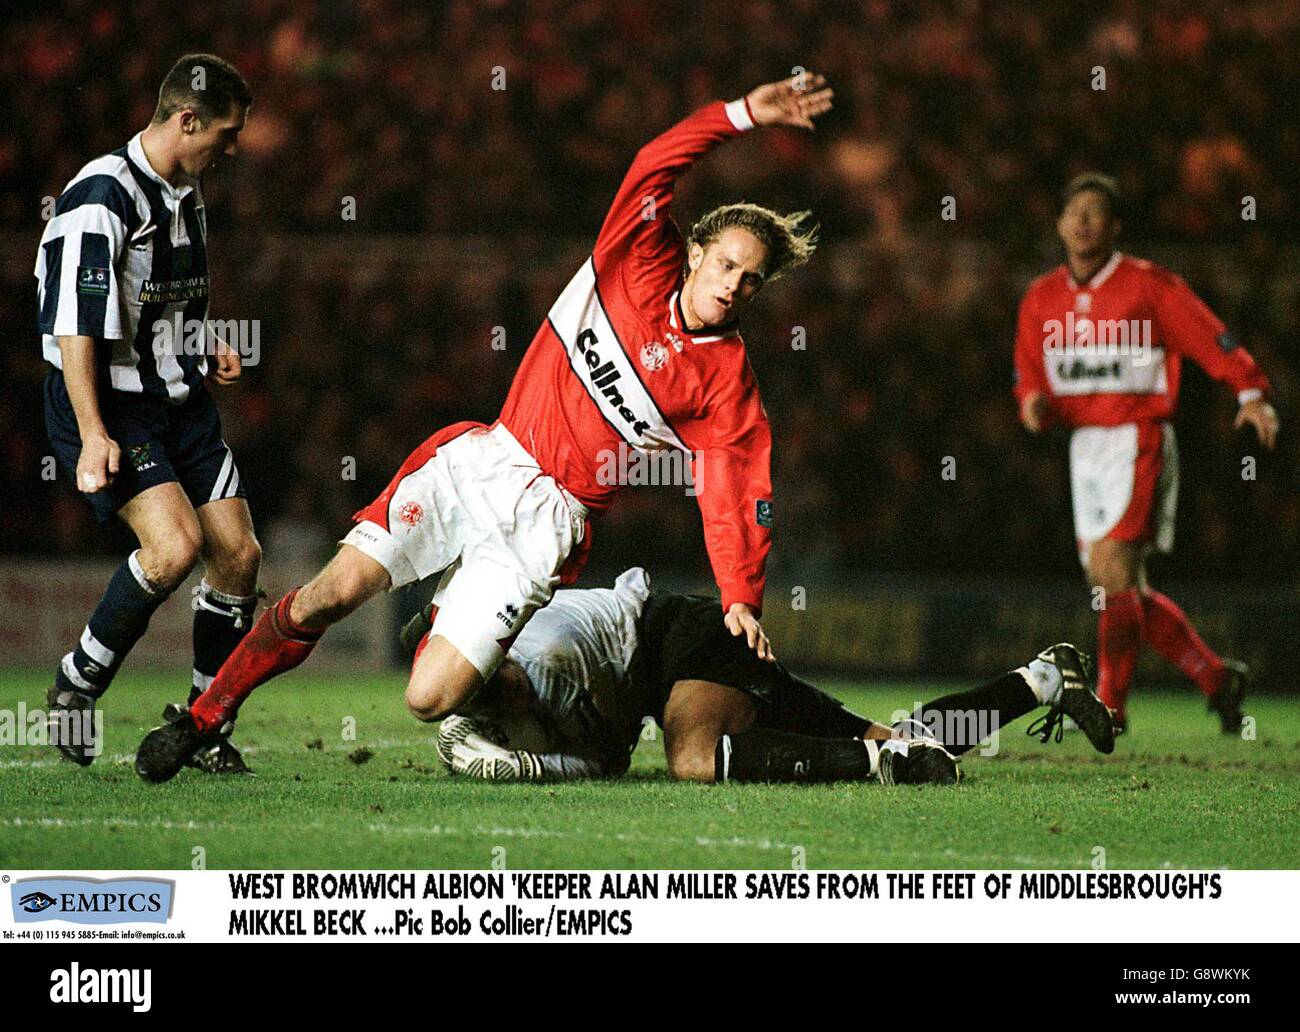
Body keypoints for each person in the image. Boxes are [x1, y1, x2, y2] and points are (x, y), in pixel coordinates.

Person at [135, 73, 834, 783]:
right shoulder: (636, 258)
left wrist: (741, 596)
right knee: (329, 594)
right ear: (695, 253)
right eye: (726, 265)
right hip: (483, 461)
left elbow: (737, 491)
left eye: (751, 280)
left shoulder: (726, 383)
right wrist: (743, 113)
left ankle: (563, 718)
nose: (732, 285)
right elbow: (658, 160)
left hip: (548, 524)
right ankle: (203, 718)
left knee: (428, 697)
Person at [39, 53, 261, 772]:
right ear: (186, 119)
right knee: (174, 550)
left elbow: (164, 300)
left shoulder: (184, 191)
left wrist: (206, 340)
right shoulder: (99, 198)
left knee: (240, 555)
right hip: (113, 404)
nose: (232, 149)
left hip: (176, 397)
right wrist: (93, 432)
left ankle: (199, 726)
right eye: (225, 133)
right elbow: (76, 324)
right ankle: (76, 685)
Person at [421, 568, 1113, 785]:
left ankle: (873, 765)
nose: (496, 692)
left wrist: (531, 767)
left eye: (492, 683)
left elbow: (608, 759)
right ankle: (1044, 679)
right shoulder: (503, 666)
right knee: (896, 735)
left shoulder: (548, 657)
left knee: (692, 763)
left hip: (682, 640)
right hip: (673, 665)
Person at [1013, 173, 1278, 734]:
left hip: (1138, 438)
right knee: (1121, 587)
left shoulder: (1149, 286)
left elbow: (1211, 336)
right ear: (1059, 224)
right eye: (1074, 211)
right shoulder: (1041, 298)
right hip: (1084, 449)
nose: (1083, 221)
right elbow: (1029, 377)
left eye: (1096, 212)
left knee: (1112, 572)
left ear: (1116, 227)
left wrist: (1250, 391)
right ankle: (1214, 676)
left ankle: (1111, 706)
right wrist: (1032, 404)